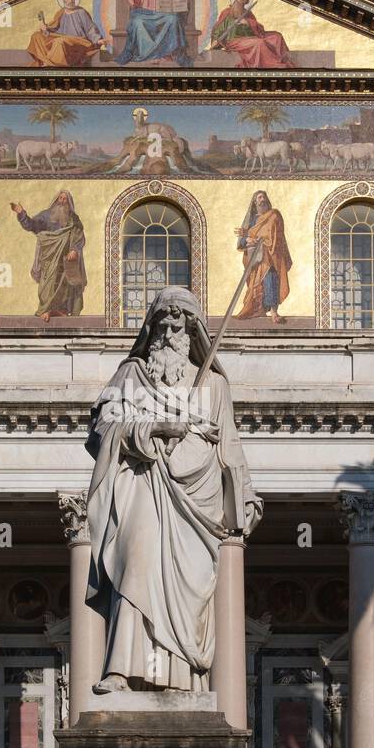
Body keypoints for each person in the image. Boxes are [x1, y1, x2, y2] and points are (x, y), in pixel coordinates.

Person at [86, 287, 261, 693]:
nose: (170, 328)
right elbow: (102, 431)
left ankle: (175, 680)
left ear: (193, 329)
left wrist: (245, 496)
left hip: (195, 503)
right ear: (151, 328)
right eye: (163, 321)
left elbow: (230, 448)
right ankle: (121, 671)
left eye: (179, 321)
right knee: (137, 564)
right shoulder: (131, 376)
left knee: (189, 589)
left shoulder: (214, 386)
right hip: (144, 486)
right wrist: (155, 428)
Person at [10, 192, 87, 319]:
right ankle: (46, 309)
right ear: (56, 199)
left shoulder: (73, 218)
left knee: (66, 284)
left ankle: (61, 310)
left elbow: (79, 235)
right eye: (60, 198)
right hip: (49, 258)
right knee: (47, 284)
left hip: (66, 259)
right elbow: (31, 225)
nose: (62, 201)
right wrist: (21, 213)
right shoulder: (46, 216)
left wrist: (74, 249)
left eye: (65, 199)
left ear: (69, 202)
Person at [235, 190, 292, 323]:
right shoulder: (253, 220)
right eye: (259, 198)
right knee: (257, 285)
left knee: (271, 280)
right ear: (255, 203)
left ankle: (274, 312)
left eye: (263, 197)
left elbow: (277, 234)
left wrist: (255, 236)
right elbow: (242, 241)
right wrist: (248, 239)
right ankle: (259, 310)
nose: (262, 200)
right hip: (256, 258)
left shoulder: (274, 215)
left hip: (272, 255)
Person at [210, 0, 295, 68]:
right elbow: (219, 28)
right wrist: (216, 40)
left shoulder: (248, 13)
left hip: (251, 37)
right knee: (259, 43)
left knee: (277, 37)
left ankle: (282, 60)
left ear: (245, 1)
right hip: (235, 41)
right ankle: (274, 64)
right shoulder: (227, 12)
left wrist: (247, 22)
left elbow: (258, 28)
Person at [26, 0, 106, 67]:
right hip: (60, 37)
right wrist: (45, 28)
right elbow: (54, 28)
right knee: (36, 36)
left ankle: (50, 63)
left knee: (59, 42)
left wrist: (98, 39)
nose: (70, 1)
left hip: (77, 41)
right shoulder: (60, 13)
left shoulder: (81, 12)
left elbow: (90, 28)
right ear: (63, 0)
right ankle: (45, 60)